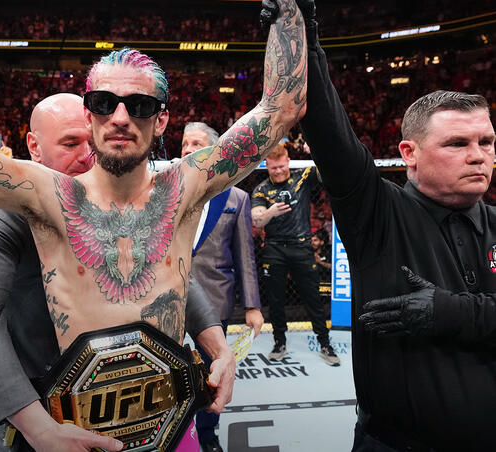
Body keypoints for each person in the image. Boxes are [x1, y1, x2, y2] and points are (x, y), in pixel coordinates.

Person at [0, 1, 305, 449]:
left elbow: (281, 111)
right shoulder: (46, 195)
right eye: (104, 103)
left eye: (139, 104)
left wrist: (289, 12)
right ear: (89, 113)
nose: (120, 116)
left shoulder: (186, 187)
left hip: (171, 429)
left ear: (161, 118)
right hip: (72, 437)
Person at [0, 94, 228, 451]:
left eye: (90, 141)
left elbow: (174, 273)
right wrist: (37, 428)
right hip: (54, 418)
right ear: (34, 146)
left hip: (154, 409)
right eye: (69, 143)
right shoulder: (7, 209)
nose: (86, 156)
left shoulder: (127, 195)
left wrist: (219, 347)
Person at [295, 1, 496, 449]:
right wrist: (304, 38)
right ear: (409, 153)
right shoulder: (378, 214)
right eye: (458, 142)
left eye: (486, 141)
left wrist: (452, 312)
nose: (478, 154)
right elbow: (328, 131)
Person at [181, 122, 263, 452]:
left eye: (196, 143)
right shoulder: (164, 191)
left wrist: (252, 305)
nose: (187, 149)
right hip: (169, 301)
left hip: (214, 301)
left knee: (213, 374)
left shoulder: (238, 198)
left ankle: (208, 433)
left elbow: (245, 256)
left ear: (214, 150)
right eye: (184, 143)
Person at [250, 145, 340, 366]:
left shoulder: (303, 177)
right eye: (273, 168)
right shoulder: (262, 189)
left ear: (288, 161)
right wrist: (271, 211)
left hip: (301, 247)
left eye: (281, 166)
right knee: (276, 300)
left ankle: (325, 343)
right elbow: (256, 220)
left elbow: (328, 167)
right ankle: (279, 342)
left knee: (312, 298)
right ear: (266, 166)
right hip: (274, 249)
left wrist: (314, 151)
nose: (278, 171)